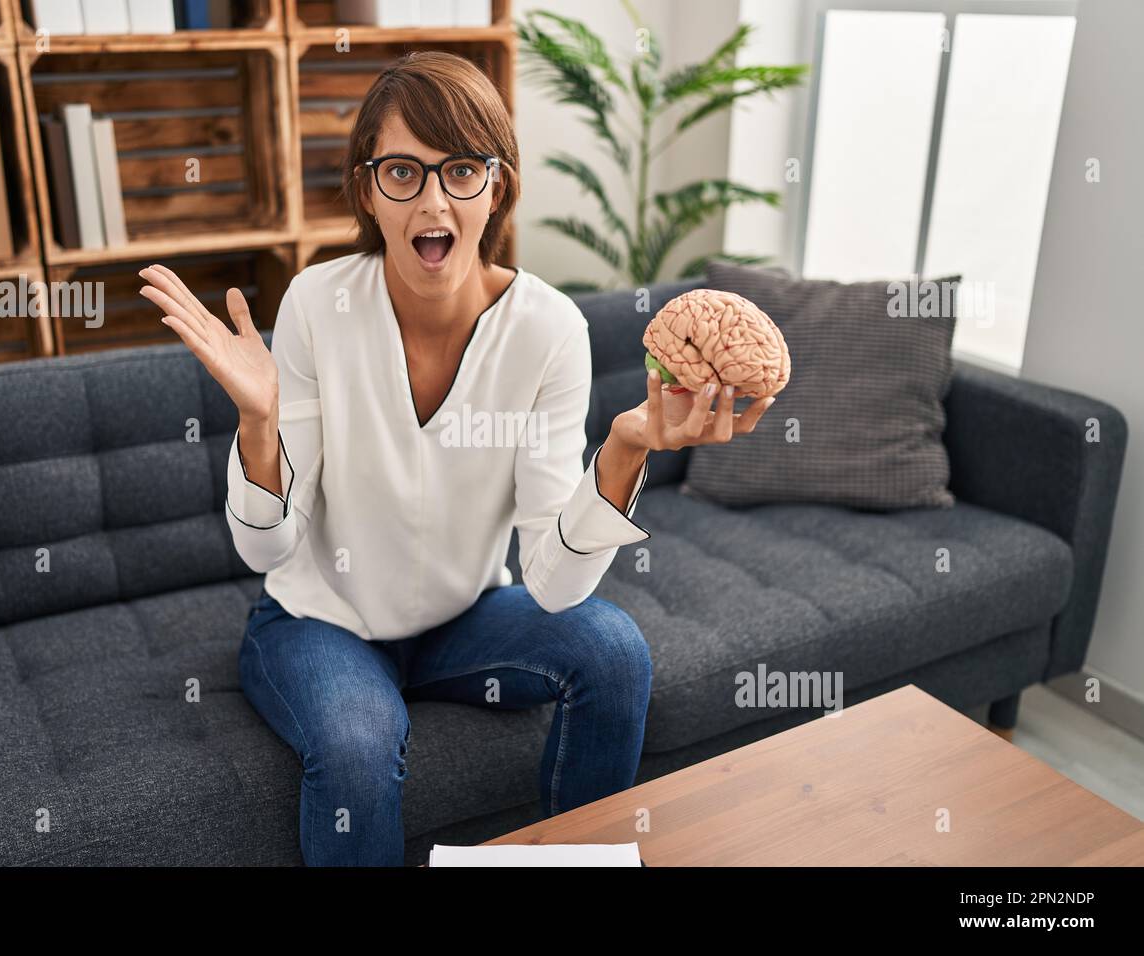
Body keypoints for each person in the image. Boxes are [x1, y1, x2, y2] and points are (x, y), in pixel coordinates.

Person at [138, 50, 773, 866]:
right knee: (360, 744)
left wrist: (624, 448)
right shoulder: (316, 305)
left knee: (614, 652)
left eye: (462, 170)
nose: (433, 200)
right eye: (403, 171)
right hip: (319, 622)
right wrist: (258, 424)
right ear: (368, 189)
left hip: (463, 619)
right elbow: (268, 548)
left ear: (497, 187)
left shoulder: (547, 329)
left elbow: (552, 584)